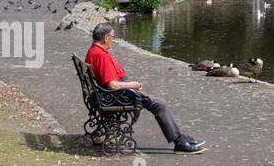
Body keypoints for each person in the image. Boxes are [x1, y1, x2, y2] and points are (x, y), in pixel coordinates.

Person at [85, 24, 205, 153]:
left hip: (106, 94)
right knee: (160, 104)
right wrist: (134, 85)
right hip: (116, 96)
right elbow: (112, 85)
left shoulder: (93, 51)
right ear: (106, 38)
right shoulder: (101, 55)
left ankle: (180, 137)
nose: (113, 40)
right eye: (113, 37)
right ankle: (179, 142)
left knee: (156, 101)